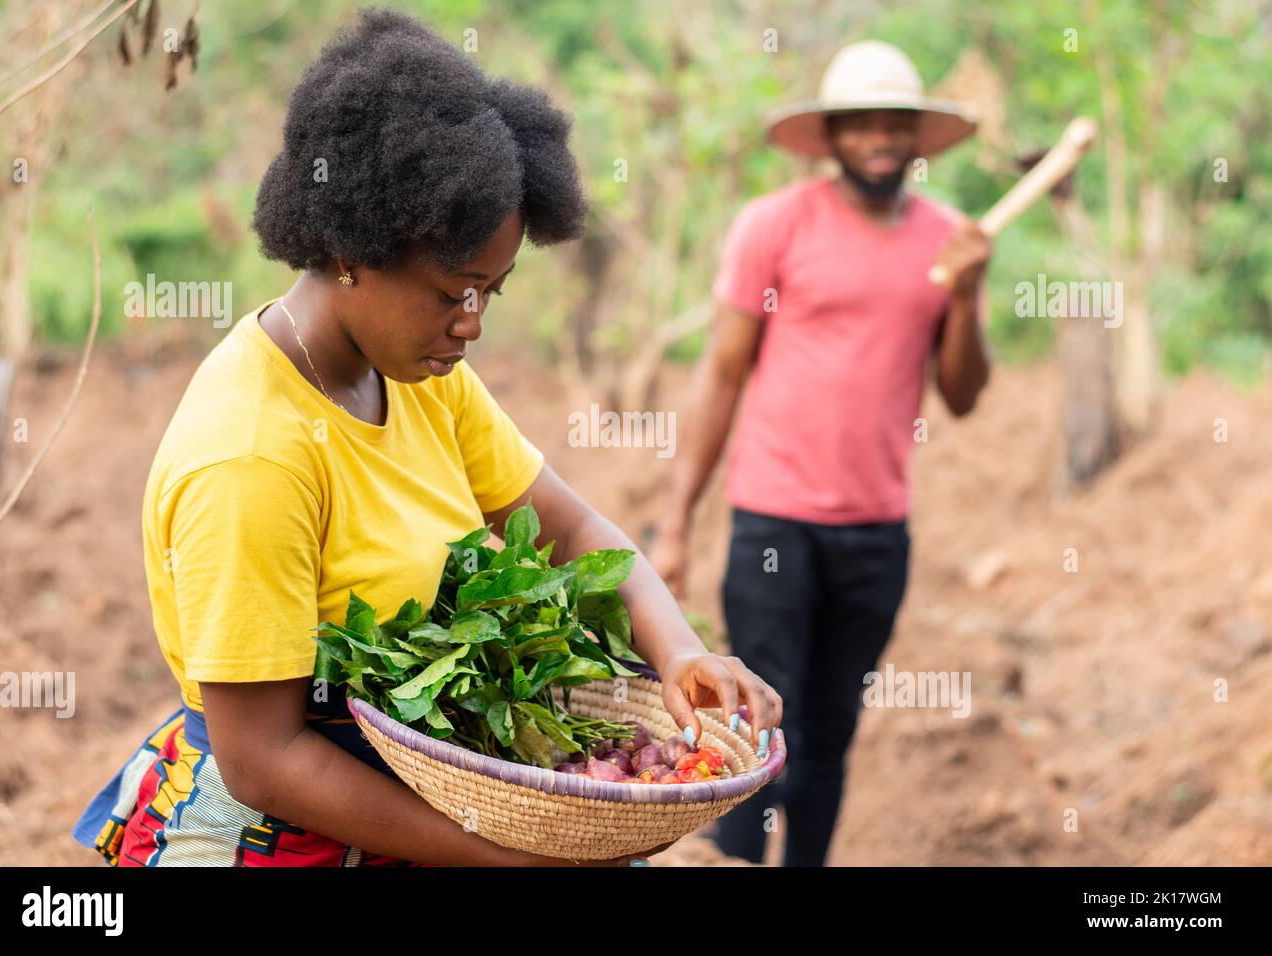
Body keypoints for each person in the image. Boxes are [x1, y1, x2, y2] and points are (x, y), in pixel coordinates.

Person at [71, 8, 782, 868]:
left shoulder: (418, 377)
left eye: (494, 291)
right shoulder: (253, 455)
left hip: (432, 797)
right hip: (290, 825)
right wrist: (506, 858)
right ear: (348, 251)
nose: (473, 323)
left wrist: (683, 654)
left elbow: (576, 533)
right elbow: (264, 758)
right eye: (455, 292)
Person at [649, 40, 992, 866]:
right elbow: (722, 373)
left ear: (917, 137)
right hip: (773, 523)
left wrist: (970, 295)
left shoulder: (952, 244)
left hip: (878, 533)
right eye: (861, 123)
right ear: (831, 135)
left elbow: (963, 394)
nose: (879, 137)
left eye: (895, 124)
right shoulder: (774, 226)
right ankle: (735, 862)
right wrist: (676, 522)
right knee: (763, 727)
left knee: (833, 732)